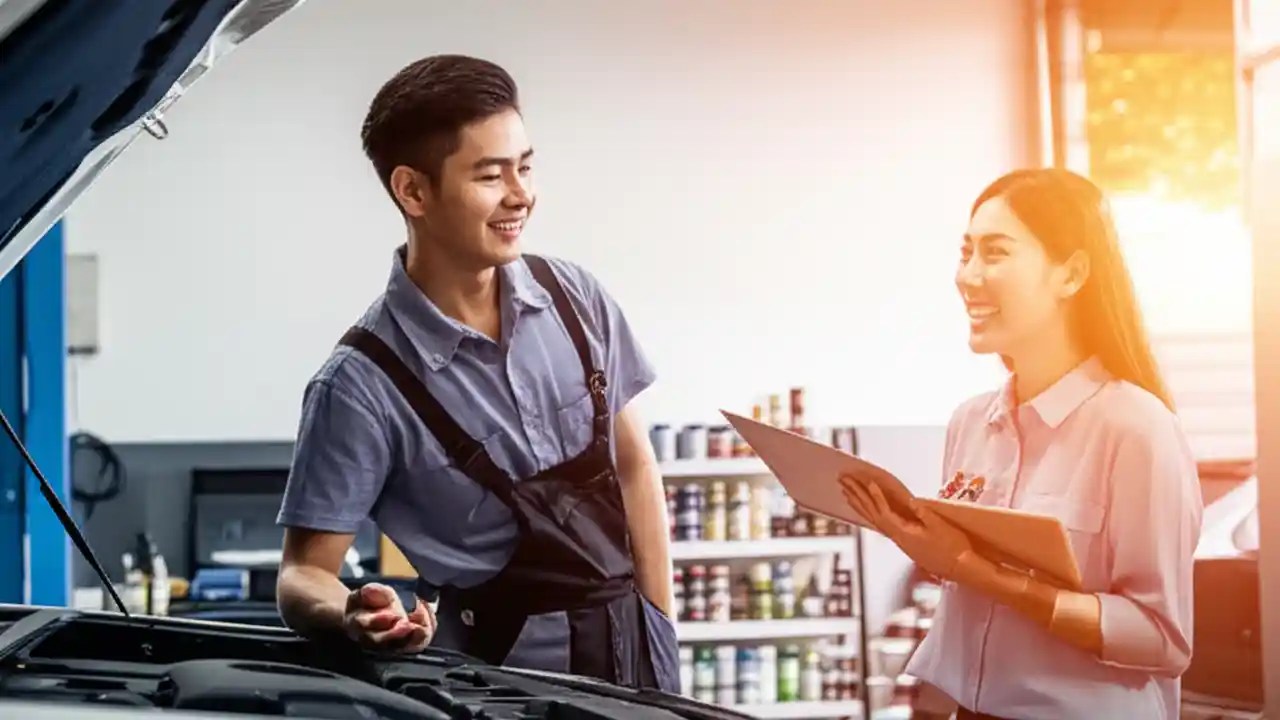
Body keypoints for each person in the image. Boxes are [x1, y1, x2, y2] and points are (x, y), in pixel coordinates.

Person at [274, 54, 678, 692]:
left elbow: (634, 466)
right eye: (491, 175)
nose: (521, 194)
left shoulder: (577, 298)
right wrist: (348, 611)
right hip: (497, 692)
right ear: (413, 191)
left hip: (637, 671)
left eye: (525, 166)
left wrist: (660, 630)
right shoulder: (358, 386)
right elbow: (302, 574)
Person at [843, 168, 1203, 720]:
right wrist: (922, 544)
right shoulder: (970, 422)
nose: (968, 276)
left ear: (1072, 272)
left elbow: (1161, 639)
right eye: (965, 253)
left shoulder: (1136, 427)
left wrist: (971, 568)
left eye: (995, 252)